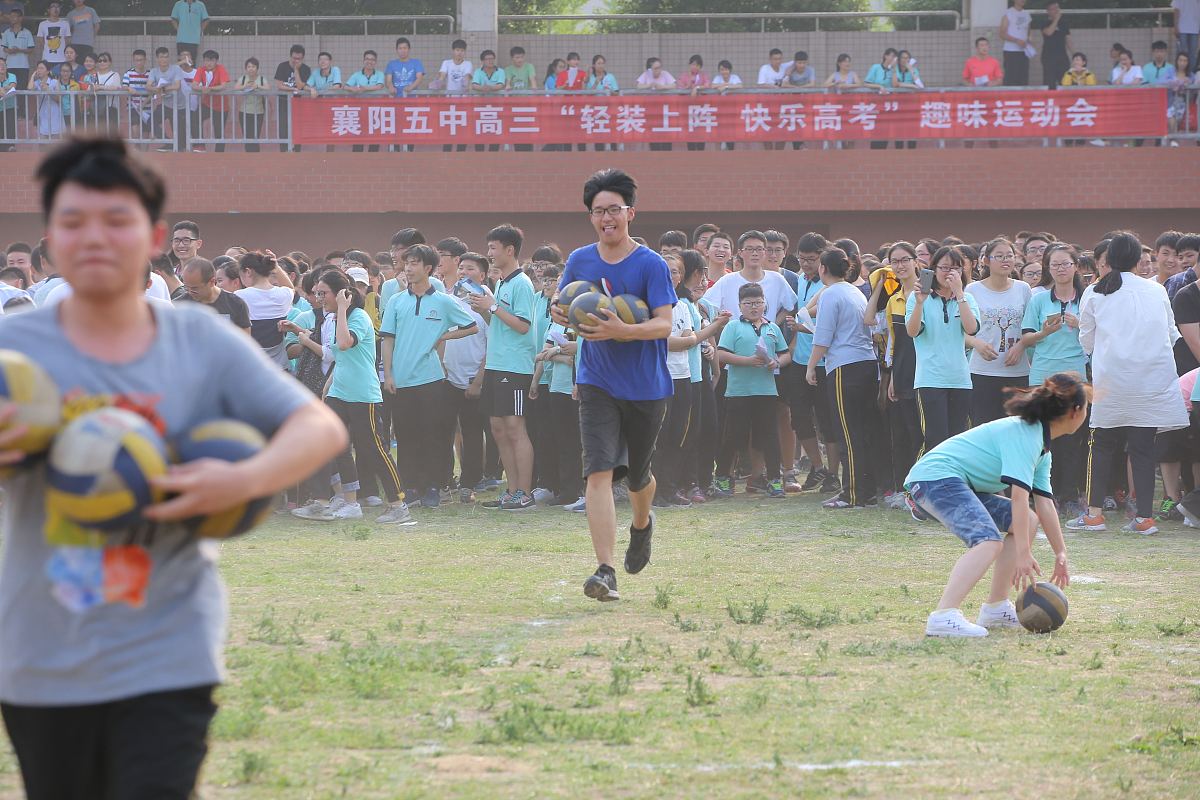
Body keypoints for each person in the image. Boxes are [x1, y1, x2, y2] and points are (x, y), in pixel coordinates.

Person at [0, 135, 345, 800]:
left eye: (116, 220)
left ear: (155, 238)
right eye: (73, 222)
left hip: (167, 649)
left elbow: (318, 426)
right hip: (41, 651)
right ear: (50, 240)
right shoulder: (13, 348)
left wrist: (244, 479)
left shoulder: (198, 339)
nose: (95, 238)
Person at [551, 169, 675, 602]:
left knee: (638, 478)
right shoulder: (579, 260)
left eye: (614, 210)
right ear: (591, 217)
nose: (607, 218)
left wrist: (624, 331)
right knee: (599, 471)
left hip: (645, 384)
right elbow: (562, 303)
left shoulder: (651, 264)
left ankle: (641, 525)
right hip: (596, 381)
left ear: (630, 213)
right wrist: (560, 312)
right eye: (598, 211)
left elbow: (664, 324)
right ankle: (605, 570)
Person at [908, 375, 1081, 637]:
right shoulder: (1027, 435)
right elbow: (1019, 497)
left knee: (1029, 521)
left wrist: (1061, 553)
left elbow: (1044, 503)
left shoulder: (1041, 447)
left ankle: (996, 608)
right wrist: (1023, 553)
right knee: (988, 541)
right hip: (935, 478)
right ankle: (943, 616)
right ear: (1075, 412)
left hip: (951, 482)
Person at [1069, 233, 1190, 535]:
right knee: (1143, 449)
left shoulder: (1095, 291)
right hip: (1151, 380)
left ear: (1108, 259)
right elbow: (1171, 334)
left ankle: (1094, 515)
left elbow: (1086, 340)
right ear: (1139, 259)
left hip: (1112, 380)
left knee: (1101, 446)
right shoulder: (1156, 290)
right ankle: (1144, 518)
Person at [380, 243, 477, 510]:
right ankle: (410, 487)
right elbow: (387, 339)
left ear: (428, 268)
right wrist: (388, 374)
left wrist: (443, 335)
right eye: (407, 263)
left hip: (431, 379)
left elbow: (471, 327)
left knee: (432, 435)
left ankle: (433, 486)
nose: (408, 268)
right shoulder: (396, 301)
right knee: (406, 435)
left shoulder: (443, 301)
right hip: (401, 380)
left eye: (414, 263)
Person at [466, 224, 538, 512]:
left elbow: (523, 326)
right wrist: (485, 310)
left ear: (510, 250)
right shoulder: (503, 283)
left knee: (514, 427)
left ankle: (525, 493)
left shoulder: (522, 284)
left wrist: (493, 307)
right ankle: (511, 491)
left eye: (493, 248)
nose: (489, 253)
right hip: (496, 364)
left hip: (515, 366)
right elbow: (499, 322)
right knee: (497, 428)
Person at [807, 247, 879, 509]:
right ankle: (867, 491)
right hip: (867, 363)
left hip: (844, 366)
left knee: (847, 432)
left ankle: (852, 494)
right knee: (864, 431)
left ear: (823, 268)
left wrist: (810, 367)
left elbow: (823, 336)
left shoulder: (830, 293)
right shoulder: (854, 291)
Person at [1020, 244, 1088, 513]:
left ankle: (1069, 494)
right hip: (1043, 375)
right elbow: (1026, 338)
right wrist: (1044, 332)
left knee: (1072, 438)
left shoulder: (1087, 298)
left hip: (1075, 376)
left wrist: (1080, 325)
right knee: (1043, 439)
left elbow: (1100, 334)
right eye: (1055, 265)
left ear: (1076, 266)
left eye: (1065, 264)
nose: (1060, 269)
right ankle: (1043, 494)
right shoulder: (1038, 300)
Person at [906, 245, 979, 452]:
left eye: (955, 268)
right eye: (944, 267)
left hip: (960, 379)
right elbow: (912, 331)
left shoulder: (967, 299)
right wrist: (919, 303)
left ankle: (953, 474)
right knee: (934, 439)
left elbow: (971, 329)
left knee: (957, 440)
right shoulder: (917, 297)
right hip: (930, 379)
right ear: (933, 269)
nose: (949, 273)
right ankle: (926, 474)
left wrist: (959, 294)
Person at [966, 237, 1031, 426]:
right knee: (983, 427)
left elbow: (1030, 326)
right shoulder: (973, 290)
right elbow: (960, 332)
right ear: (986, 261)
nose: (1005, 260)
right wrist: (976, 343)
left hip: (1017, 372)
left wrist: (1021, 345)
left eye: (1009, 256)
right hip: (982, 372)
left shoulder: (1023, 289)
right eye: (999, 256)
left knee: (1017, 427)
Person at [177, 256, 251, 332]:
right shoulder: (179, 305)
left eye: (194, 288)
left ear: (212, 282)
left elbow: (245, 336)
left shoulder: (236, 304)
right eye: (186, 287)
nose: (190, 292)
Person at [145, 46, 186, 152]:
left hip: (180, 106)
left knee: (180, 136)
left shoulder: (176, 68)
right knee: (151, 121)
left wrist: (163, 88)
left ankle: (180, 151)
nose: (164, 59)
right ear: (157, 58)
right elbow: (148, 86)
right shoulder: (154, 71)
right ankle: (168, 142)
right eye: (162, 57)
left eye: (166, 57)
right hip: (166, 105)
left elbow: (177, 86)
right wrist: (156, 89)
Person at [235, 56, 266, 153]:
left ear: (257, 68)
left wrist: (257, 86)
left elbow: (268, 88)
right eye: (249, 67)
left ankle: (256, 155)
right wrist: (245, 86)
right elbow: (236, 88)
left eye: (253, 66)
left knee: (256, 135)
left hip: (258, 112)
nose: (251, 69)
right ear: (246, 68)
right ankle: (249, 155)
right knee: (247, 135)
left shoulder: (261, 79)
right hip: (244, 112)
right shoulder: (243, 78)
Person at [999, 0, 1034, 87]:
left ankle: (1023, 95)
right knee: (1011, 78)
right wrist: (1016, 40)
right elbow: (1002, 33)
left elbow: (1028, 32)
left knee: (1023, 78)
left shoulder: (1027, 14)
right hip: (1011, 51)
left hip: (1024, 51)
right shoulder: (1008, 13)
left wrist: (1029, 40)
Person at [1038, 2, 1071, 89]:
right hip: (1048, 57)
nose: (1056, 11)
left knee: (1065, 81)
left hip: (1062, 56)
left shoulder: (1064, 23)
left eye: (1057, 8)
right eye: (1053, 9)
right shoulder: (1044, 23)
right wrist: (1056, 20)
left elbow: (1068, 39)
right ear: (1048, 11)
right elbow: (1049, 32)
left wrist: (1075, 54)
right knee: (1049, 83)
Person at [2, 8, 35, 92]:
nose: (11, 18)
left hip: (23, 66)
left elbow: (31, 49)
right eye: (10, 16)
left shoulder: (27, 32)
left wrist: (20, 50)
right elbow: (4, 48)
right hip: (9, 66)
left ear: (20, 18)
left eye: (14, 16)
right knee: (9, 89)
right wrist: (9, 50)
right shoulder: (6, 32)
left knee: (21, 89)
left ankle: (21, 102)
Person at [35, 2, 70, 66]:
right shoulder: (42, 24)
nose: (56, 8)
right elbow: (40, 40)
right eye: (53, 6)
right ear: (48, 10)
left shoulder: (65, 24)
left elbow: (67, 40)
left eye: (58, 7)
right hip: (47, 58)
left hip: (62, 58)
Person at [1174, 0, 1200, 76]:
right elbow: (1176, 10)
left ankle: (1191, 74)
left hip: (1195, 29)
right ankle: (1180, 74)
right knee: (1182, 53)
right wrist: (1176, 26)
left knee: (1193, 54)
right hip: (1182, 28)